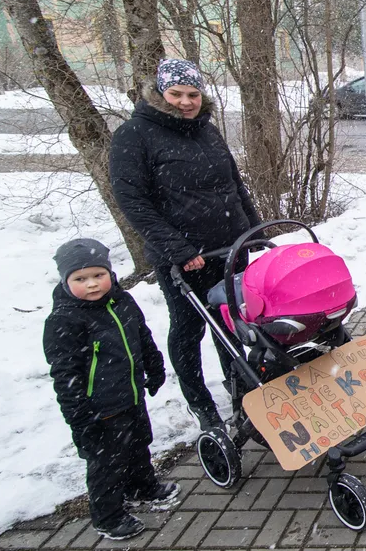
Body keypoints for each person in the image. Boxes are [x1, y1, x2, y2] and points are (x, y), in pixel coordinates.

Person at [110, 58, 260, 431]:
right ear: (160, 92)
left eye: (193, 94)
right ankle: (201, 402)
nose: (186, 102)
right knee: (189, 327)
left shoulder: (207, 131)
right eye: (176, 94)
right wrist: (177, 249)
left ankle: (240, 388)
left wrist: (253, 231)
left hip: (227, 249)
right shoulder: (134, 135)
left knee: (230, 321)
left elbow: (234, 185)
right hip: (183, 258)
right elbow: (133, 201)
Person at [43, 239, 180, 540]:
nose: (92, 284)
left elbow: (142, 336)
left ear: (111, 273)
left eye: (98, 275)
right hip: (98, 408)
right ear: (66, 281)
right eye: (80, 279)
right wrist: (80, 417)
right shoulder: (63, 320)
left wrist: (155, 366)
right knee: (107, 462)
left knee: (139, 442)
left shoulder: (123, 302)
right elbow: (64, 373)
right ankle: (108, 515)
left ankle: (142, 486)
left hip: (130, 394)